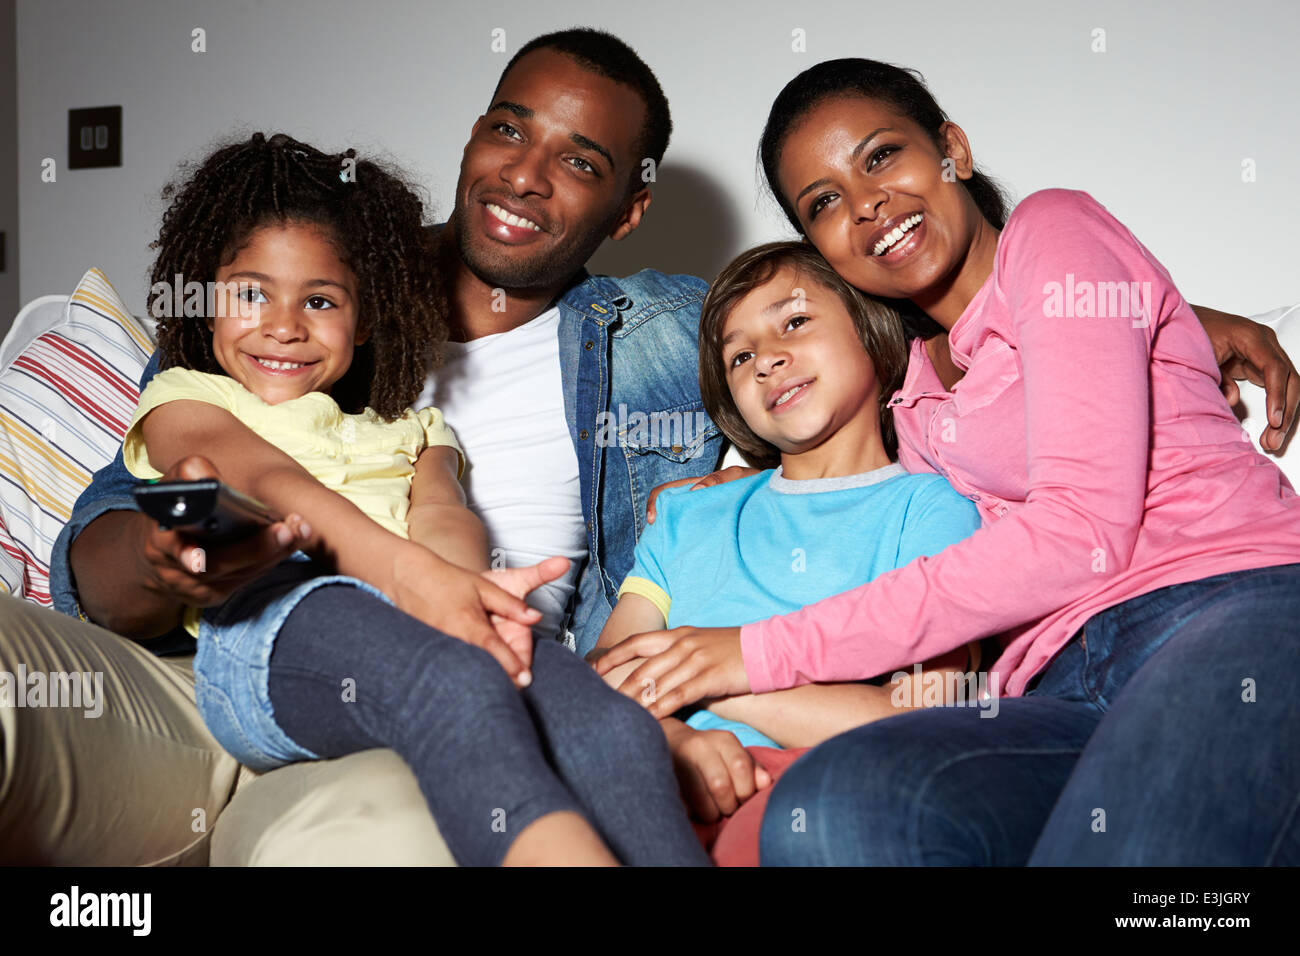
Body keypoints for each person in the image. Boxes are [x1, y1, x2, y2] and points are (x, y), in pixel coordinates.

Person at [5, 29, 1293, 865]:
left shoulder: (680, 325)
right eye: (509, 126)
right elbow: (113, 546)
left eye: (580, 159)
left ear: (626, 210)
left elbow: (853, 335)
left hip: (515, 673)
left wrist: (1164, 313)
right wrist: (171, 559)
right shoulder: (321, 300)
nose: (525, 172)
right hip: (249, 648)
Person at [596, 57, 1300, 866]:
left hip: (1227, 612)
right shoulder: (917, 400)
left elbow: (1080, 531)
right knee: (834, 810)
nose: (867, 205)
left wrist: (750, 652)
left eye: (881, 157)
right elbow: (849, 465)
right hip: (1052, 689)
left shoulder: (1053, 230)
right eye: (824, 202)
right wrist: (745, 485)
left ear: (951, 150)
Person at [124, 131, 707, 866]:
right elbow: (274, 484)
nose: (283, 325)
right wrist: (419, 583)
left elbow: (442, 514)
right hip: (271, 631)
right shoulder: (188, 398)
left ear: (364, 320)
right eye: (250, 294)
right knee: (456, 680)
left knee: (601, 716)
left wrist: (467, 594)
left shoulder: (415, 427)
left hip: (415, 620)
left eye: (321, 300)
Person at [592, 240, 984, 837]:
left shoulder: (931, 512)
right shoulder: (688, 516)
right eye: (739, 356)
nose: (766, 361)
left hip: (816, 791)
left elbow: (927, 715)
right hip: (648, 770)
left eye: (795, 322)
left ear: (871, 329)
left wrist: (714, 687)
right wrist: (671, 736)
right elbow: (607, 674)